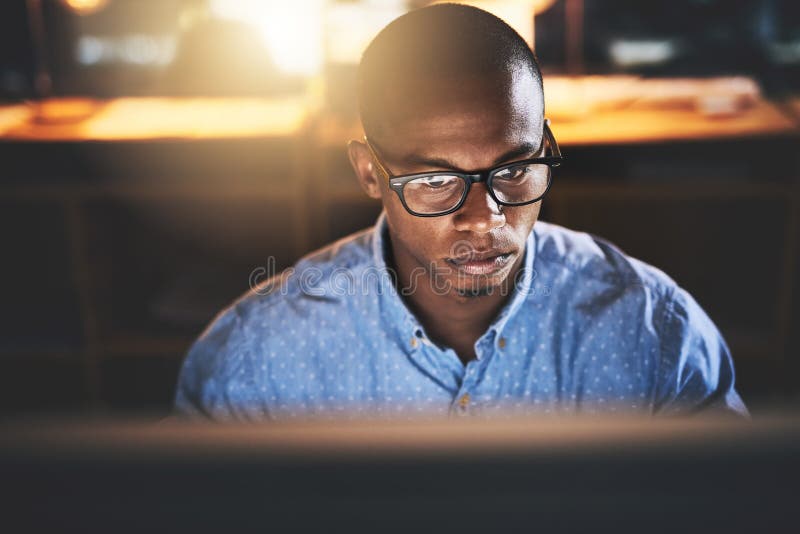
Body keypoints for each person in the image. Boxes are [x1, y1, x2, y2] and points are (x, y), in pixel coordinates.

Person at [174, 3, 747, 421]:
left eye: (515, 170)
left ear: (545, 146)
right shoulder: (259, 362)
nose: (485, 217)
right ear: (370, 172)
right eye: (435, 180)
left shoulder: (652, 332)